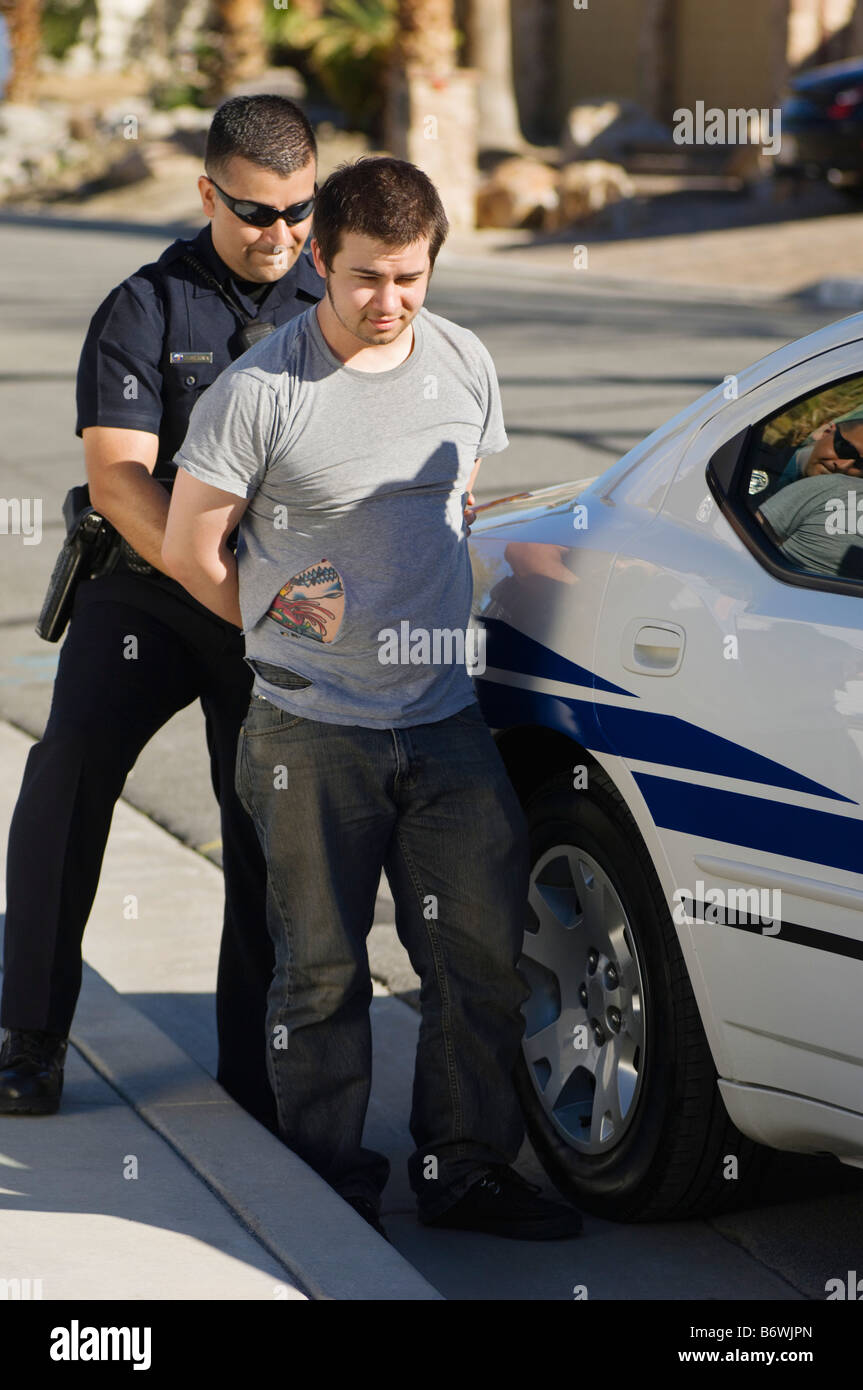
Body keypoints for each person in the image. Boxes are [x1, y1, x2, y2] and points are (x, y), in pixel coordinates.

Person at [162, 155, 584, 1241]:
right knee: (320, 972)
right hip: (311, 725)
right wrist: (285, 629)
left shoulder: (463, 361)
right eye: (363, 278)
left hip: (444, 720)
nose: (387, 301)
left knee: (480, 955)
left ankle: (464, 1167)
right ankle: (327, 1183)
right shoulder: (258, 392)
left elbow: (461, 503)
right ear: (318, 259)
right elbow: (189, 545)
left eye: (408, 276)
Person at [0, 95, 323, 1132]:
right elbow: (120, 485)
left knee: (263, 829)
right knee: (68, 775)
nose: (280, 236)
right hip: (150, 595)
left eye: (299, 212)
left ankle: (254, 1073)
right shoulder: (146, 305)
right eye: (255, 213)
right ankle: (29, 1040)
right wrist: (226, 594)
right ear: (206, 194)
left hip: (275, 610)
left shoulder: (338, 298)